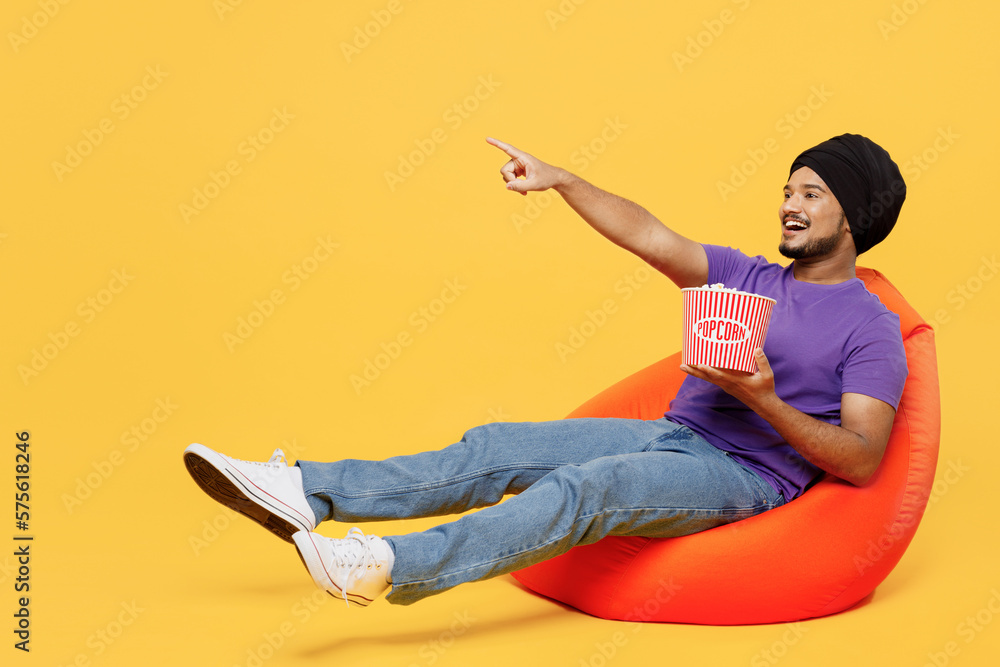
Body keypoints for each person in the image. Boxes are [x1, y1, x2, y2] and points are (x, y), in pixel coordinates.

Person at [183, 133, 908, 608]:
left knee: (595, 486)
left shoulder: (870, 328)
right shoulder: (748, 274)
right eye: (788, 189)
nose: (788, 205)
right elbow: (649, 235)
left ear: (854, 216)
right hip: (674, 436)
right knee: (496, 445)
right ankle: (307, 489)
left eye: (810, 194)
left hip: (747, 476)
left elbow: (863, 458)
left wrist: (765, 399)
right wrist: (563, 181)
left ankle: (389, 565)